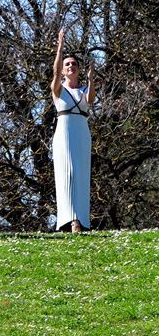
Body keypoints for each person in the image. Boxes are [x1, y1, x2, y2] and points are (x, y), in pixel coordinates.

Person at [50, 28, 96, 233]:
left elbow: (90, 101)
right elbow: (55, 70)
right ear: (63, 69)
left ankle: (80, 220)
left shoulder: (85, 90)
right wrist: (60, 48)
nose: (71, 66)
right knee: (65, 174)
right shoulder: (58, 89)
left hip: (81, 132)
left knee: (81, 174)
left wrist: (91, 80)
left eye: (74, 64)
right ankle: (67, 220)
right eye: (67, 64)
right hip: (64, 133)